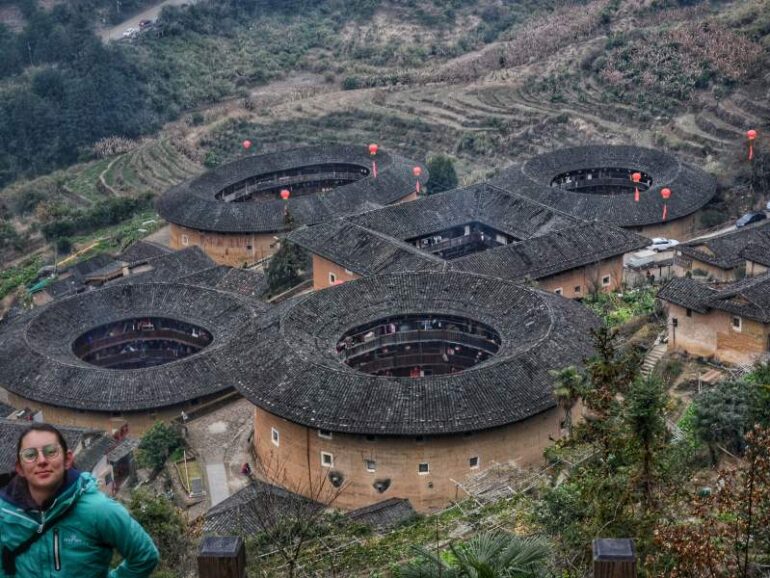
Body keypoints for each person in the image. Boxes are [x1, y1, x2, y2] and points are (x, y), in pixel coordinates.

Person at [0, 423, 159, 578]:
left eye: (51, 451)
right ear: (19, 468)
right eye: (30, 455)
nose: (41, 460)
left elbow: (145, 555)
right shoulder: (4, 512)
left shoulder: (99, 510)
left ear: (68, 459)